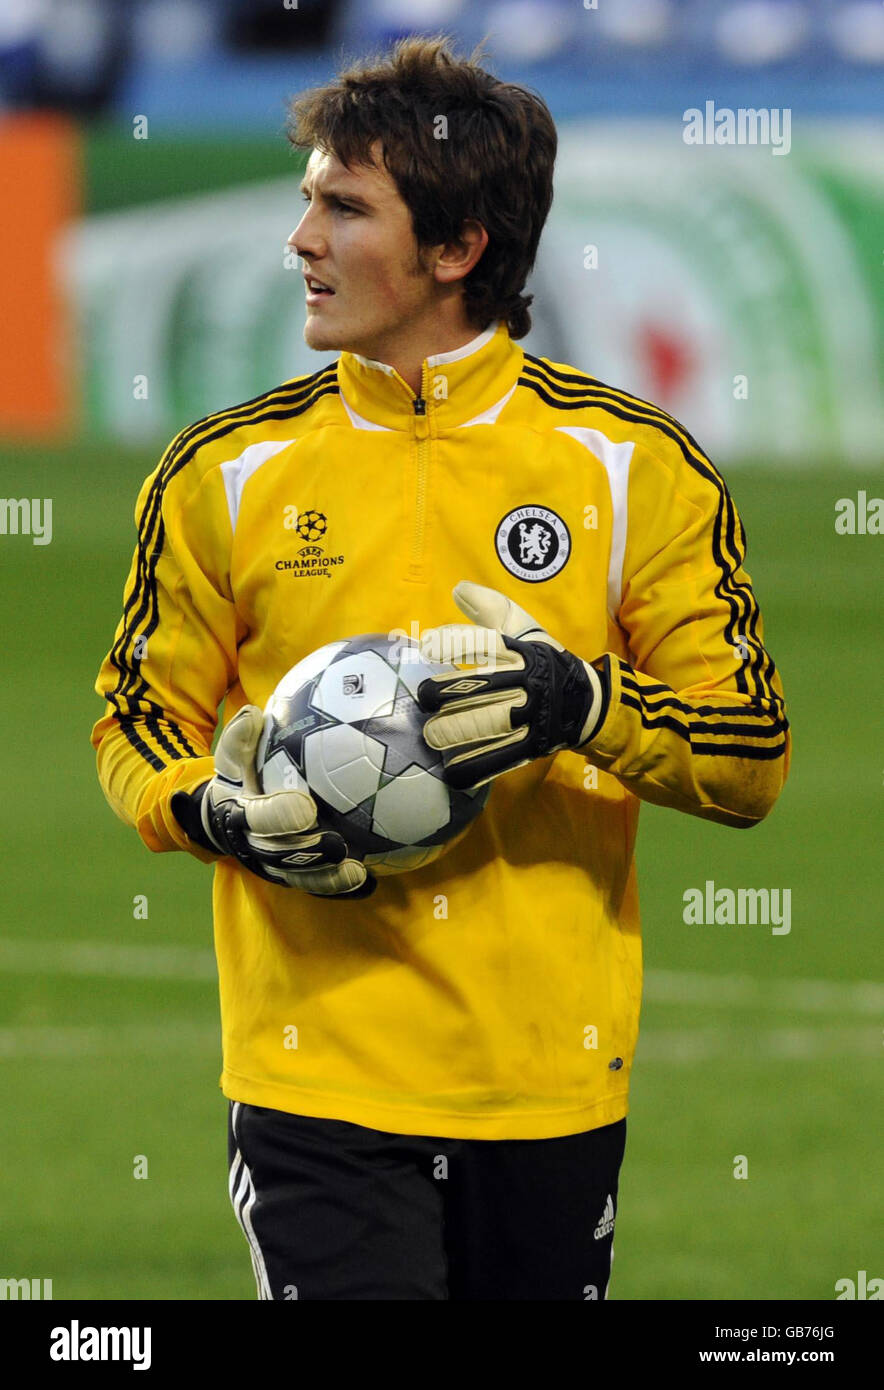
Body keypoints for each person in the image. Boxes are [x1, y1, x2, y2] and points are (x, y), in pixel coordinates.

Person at [91, 35, 790, 1301]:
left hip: (546, 1083)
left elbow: (746, 757)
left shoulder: (634, 468)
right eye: (306, 197)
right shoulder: (219, 473)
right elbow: (138, 719)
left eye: (342, 206)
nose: (298, 238)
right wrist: (208, 810)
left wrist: (579, 703)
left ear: (458, 247)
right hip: (316, 1078)